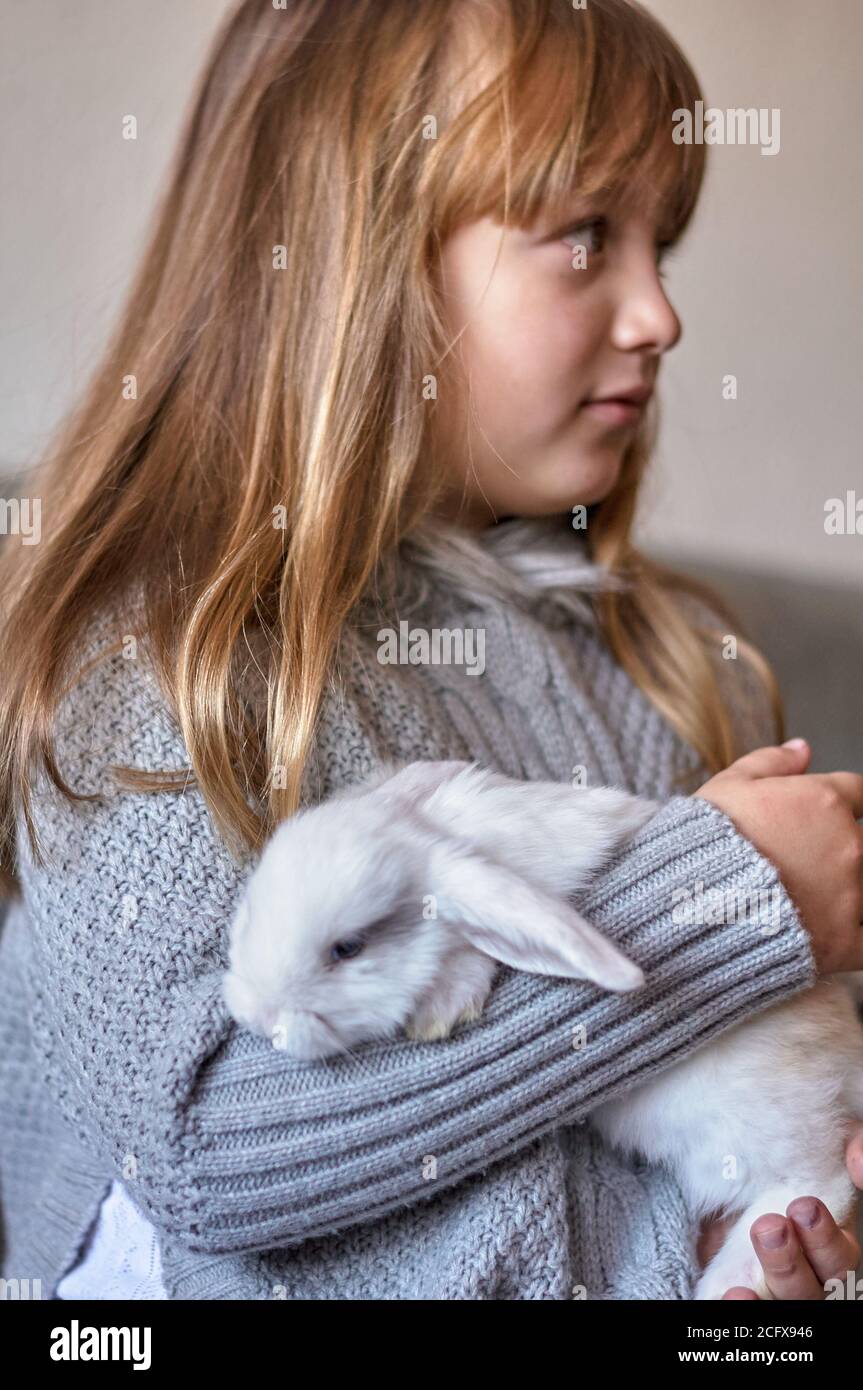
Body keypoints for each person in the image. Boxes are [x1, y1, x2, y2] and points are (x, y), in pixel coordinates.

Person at [0, 0, 861, 1302]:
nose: (660, 316)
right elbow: (201, 1151)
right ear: (364, 261)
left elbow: (623, 1162)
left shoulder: (662, 663)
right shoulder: (167, 660)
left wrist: (735, 1269)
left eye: (660, 246)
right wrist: (722, 909)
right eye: (586, 237)